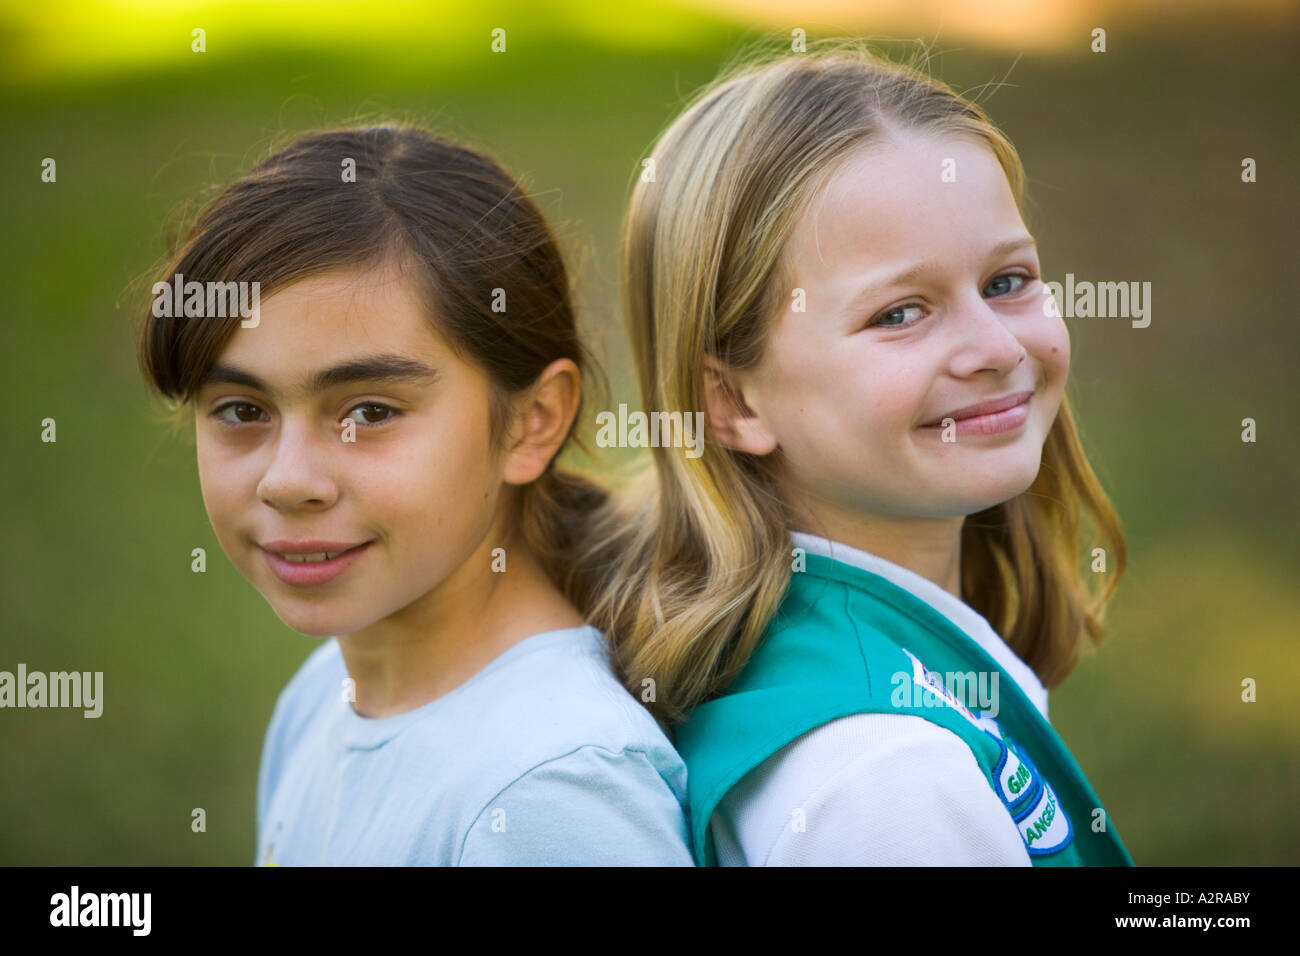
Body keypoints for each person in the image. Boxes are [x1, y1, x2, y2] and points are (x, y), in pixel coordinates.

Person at [581, 41, 1135, 866]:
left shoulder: (808, 655)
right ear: (731, 403)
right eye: (900, 314)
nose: (993, 347)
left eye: (1007, 282)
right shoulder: (888, 783)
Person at [137, 124, 693, 866]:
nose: (288, 479)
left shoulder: (550, 792)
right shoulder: (322, 695)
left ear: (533, 422)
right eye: (243, 410)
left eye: (370, 411)